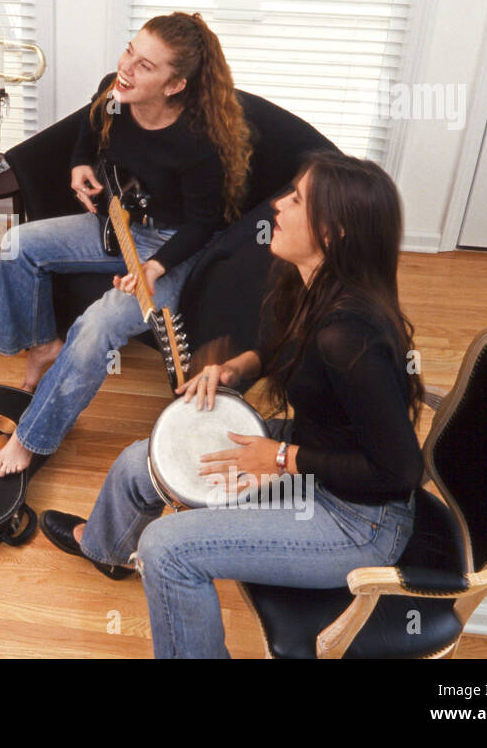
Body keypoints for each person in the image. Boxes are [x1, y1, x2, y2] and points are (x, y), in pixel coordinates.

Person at [38, 152, 425, 658]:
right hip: (317, 456)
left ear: (332, 234)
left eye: (296, 200)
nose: (278, 207)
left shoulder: (348, 336)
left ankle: (140, 556)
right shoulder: (312, 285)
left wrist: (282, 460)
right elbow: (276, 347)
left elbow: (400, 472)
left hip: (358, 521)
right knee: (145, 458)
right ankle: (106, 550)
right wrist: (233, 370)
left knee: (167, 550)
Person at [0, 12, 252, 476]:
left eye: (146, 65)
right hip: (123, 220)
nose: (127, 68)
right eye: (130, 49)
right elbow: (89, 130)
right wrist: (78, 165)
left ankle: (31, 438)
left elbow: (202, 224)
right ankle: (43, 345)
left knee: (99, 324)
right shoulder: (114, 93)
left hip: (176, 245)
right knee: (17, 246)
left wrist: (155, 267)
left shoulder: (199, 143)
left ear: (175, 85)